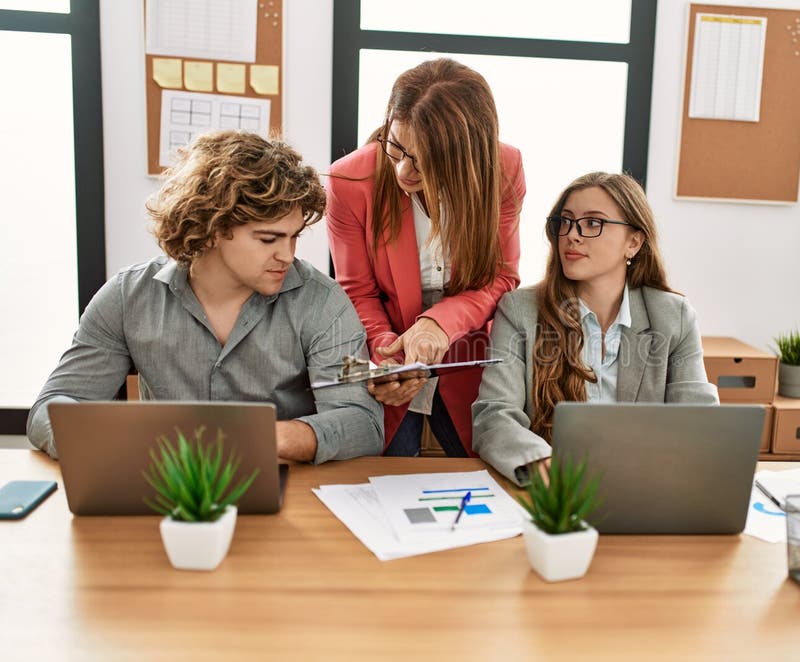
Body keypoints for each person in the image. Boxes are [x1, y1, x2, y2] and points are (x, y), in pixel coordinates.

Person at [27, 130, 384, 463]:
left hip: (288, 491)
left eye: (293, 237)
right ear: (212, 228)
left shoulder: (322, 301)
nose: (287, 255)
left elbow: (363, 424)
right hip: (165, 492)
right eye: (268, 239)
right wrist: (120, 442)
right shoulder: (128, 296)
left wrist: (268, 438)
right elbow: (51, 409)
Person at [327, 58, 525, 457]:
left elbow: (500, 277)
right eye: (396, 147)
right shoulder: (348, 181)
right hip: (384, 351)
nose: (402, 171)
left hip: (468, 348)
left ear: (467, 157)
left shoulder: (504, 169)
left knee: (486, 473)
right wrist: (389, 354)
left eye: (424, 160)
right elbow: (357, 291)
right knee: (383, 475)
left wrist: (439, 324)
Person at [472, 172, 719, 485]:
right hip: (555, 493)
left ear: (633, 242)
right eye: (565, 221)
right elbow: (494, 415)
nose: (572, 235)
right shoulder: (519, 310)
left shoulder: (674, 316)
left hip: (644, 486)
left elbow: (698, 421)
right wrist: (541, 462)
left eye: (592, 223)